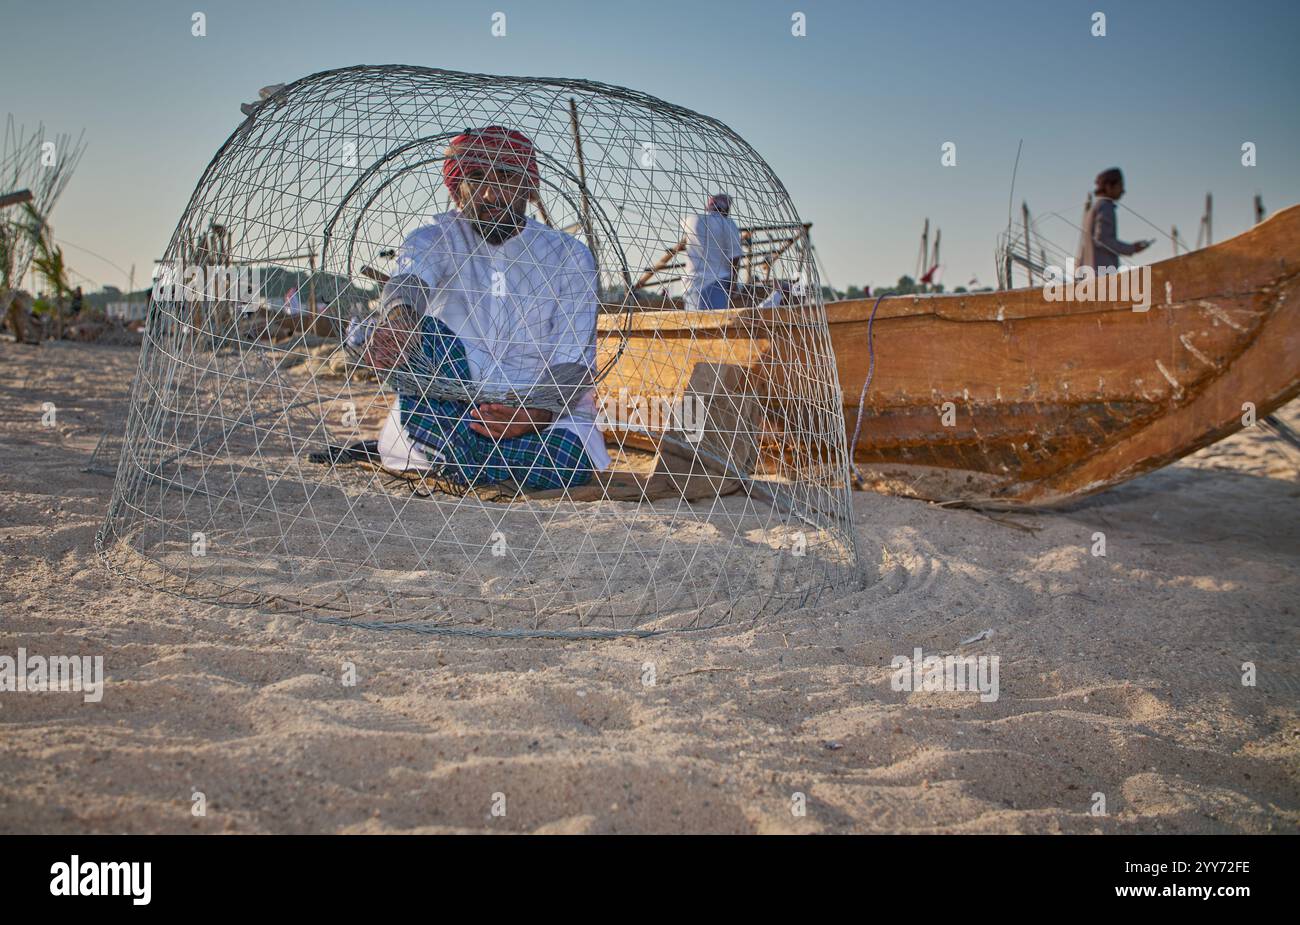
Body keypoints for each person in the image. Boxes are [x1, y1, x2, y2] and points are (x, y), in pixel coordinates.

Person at [369, 125, 608, 490]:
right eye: (476, 177)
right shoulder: (434, 238)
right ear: (457, 189)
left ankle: (457, 460)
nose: (491, 193)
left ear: (529, 187)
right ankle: (465, 456)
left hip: (543, 420)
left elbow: (574, 360)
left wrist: (534, 413)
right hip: (452, 410)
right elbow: (408, 283)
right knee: (429, 337)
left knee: (564, 458)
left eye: (507, 176)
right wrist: (399, 321)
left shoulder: (569, 256)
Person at [1078, 168, 1150, 273]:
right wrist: (1132, 248)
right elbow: (1102, 240)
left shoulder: (1092, 210)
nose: (1123, 191)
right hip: (1104, 275)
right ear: (1108, 186)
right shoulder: (1105, 207)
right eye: (1120, 186)